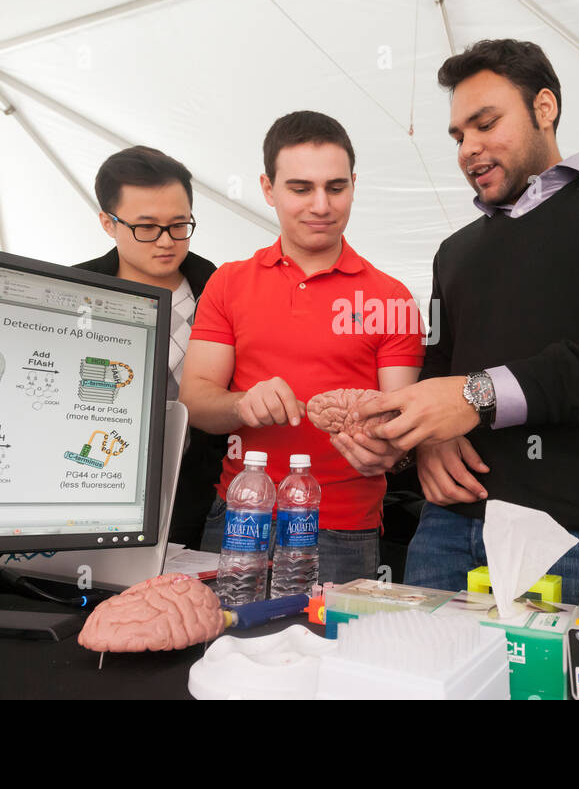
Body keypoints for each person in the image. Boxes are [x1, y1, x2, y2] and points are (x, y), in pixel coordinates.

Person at [354, 39, 579, 604]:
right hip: (448, 529)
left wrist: (477, 396)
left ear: (545, 107)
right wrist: (426, 440)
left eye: (486, 123)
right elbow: (438, 368)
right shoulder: (454, 251)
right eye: (458, 136)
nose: (469, 147)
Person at [179, 111, 425, 585]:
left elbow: (399, 418)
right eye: (300, 188)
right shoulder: (228, 283)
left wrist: (389, 446)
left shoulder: (391, 298)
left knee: (329, 655)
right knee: (221, 651)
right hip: (242, 515)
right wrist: (243, 404)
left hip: (343, 527)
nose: (321, 205)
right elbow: (195, 401)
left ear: (353, 185)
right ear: (268, 189)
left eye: (336, 187)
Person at [73, 145, 225, 548]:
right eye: (146, 227)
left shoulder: (223, 294)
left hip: (194, 506)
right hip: (87, 494)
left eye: (179, 225)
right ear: (108, 223)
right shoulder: (70, 294)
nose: (165, 241)